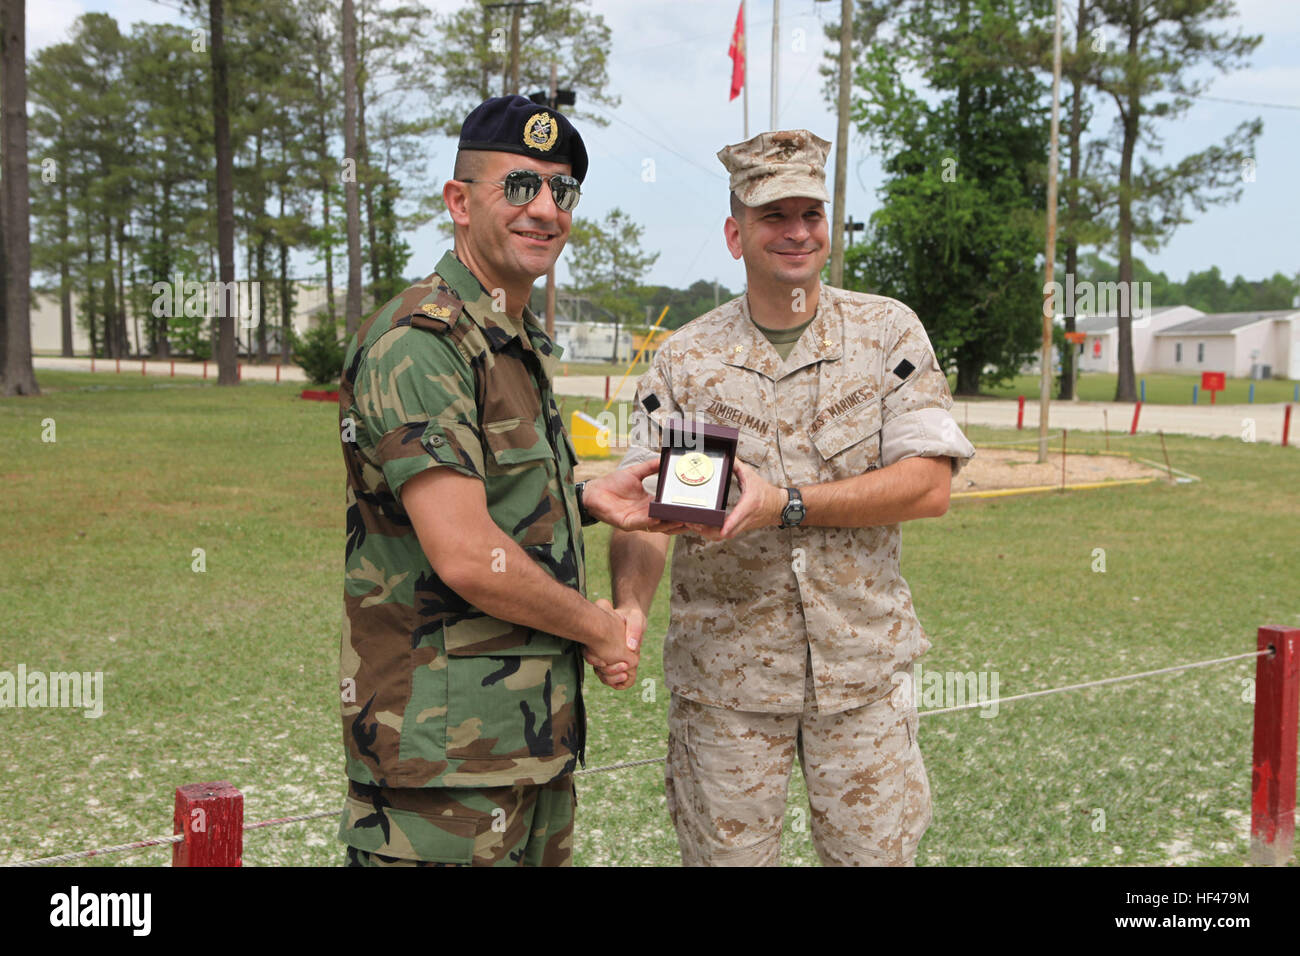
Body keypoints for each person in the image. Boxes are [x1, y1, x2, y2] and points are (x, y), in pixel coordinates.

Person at [597, 129, 976, 866]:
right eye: (774, 216)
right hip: (726, 686)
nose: (796, 231)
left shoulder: (886, 333)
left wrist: (787, 503)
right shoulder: (686, 361)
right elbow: (647, 511)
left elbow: (930, 484)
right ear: (736, 235)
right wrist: (630, 609)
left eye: (811, 213)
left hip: (861, 675)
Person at [335, 95, 669, 867]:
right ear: (459, 202)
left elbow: (493, 501)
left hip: (524, 748)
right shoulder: (421, 343)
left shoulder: (507, 337)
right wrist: (598, 627)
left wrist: (587, 501)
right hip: (439, 765)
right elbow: (462, 551)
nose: (546, 209)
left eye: (562, 190)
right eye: (519, 186)